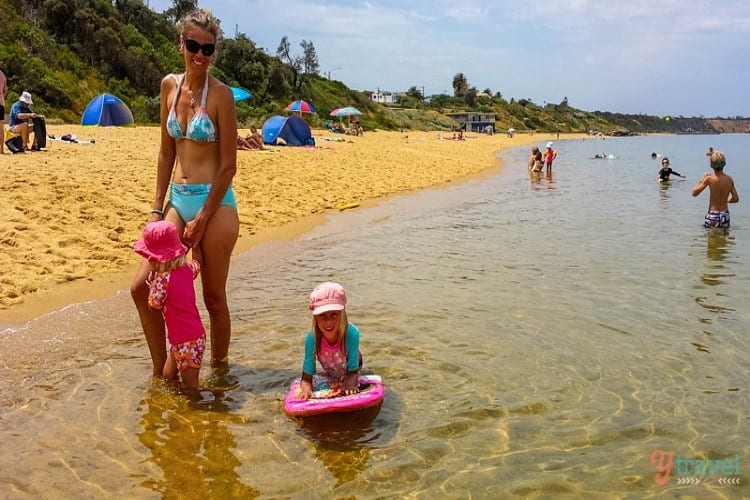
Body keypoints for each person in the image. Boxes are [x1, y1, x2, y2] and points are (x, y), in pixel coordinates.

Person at [130, 8, 239, 375]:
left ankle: (220, 374)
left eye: (208, 49)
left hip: (216, 202)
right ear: (181, 43)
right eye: (194, 45)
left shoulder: (222, 96)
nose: (200, 55)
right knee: (142, 287)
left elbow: (228, 166)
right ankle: (163, 371)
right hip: (177, 199)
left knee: (212, 297)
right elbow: (165, 152)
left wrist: (204, 219)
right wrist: (156, 210)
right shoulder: (169, 87)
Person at [134, 221, 206, 393]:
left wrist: (151, 287)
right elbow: (198, 263)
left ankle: (219, 398)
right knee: (168, 375)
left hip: (185, 341)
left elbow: (154, 306)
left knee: (192, 388)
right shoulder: (188, 269)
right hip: (190, 337)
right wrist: (196, 245)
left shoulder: (161, 281)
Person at [296, 282, 363, 400]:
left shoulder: (352, 334)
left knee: (350, 381)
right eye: (322, 315)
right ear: (315, 317)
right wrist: (306, 390)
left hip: (352, 367)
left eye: (334, 314)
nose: (328, 322)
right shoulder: (312, 339)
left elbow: (353, 371)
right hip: (331, 368)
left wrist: (348, 385)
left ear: (342, 314)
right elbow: (306, 377)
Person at [692, 151, 739, 229]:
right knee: (723, 240)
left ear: (711, 165)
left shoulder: (709, 179)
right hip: (725, 215)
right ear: (724, 164)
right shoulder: (729, 179)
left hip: (713, 215)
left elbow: (694, 193)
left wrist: (702, 180)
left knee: (711, 240)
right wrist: (726, 200)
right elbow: (736, 199)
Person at [0, 58, 7, 154]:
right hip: (0, 100)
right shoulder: (2, 75)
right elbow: (5, 91)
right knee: (0, 125)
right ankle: (1, 148)